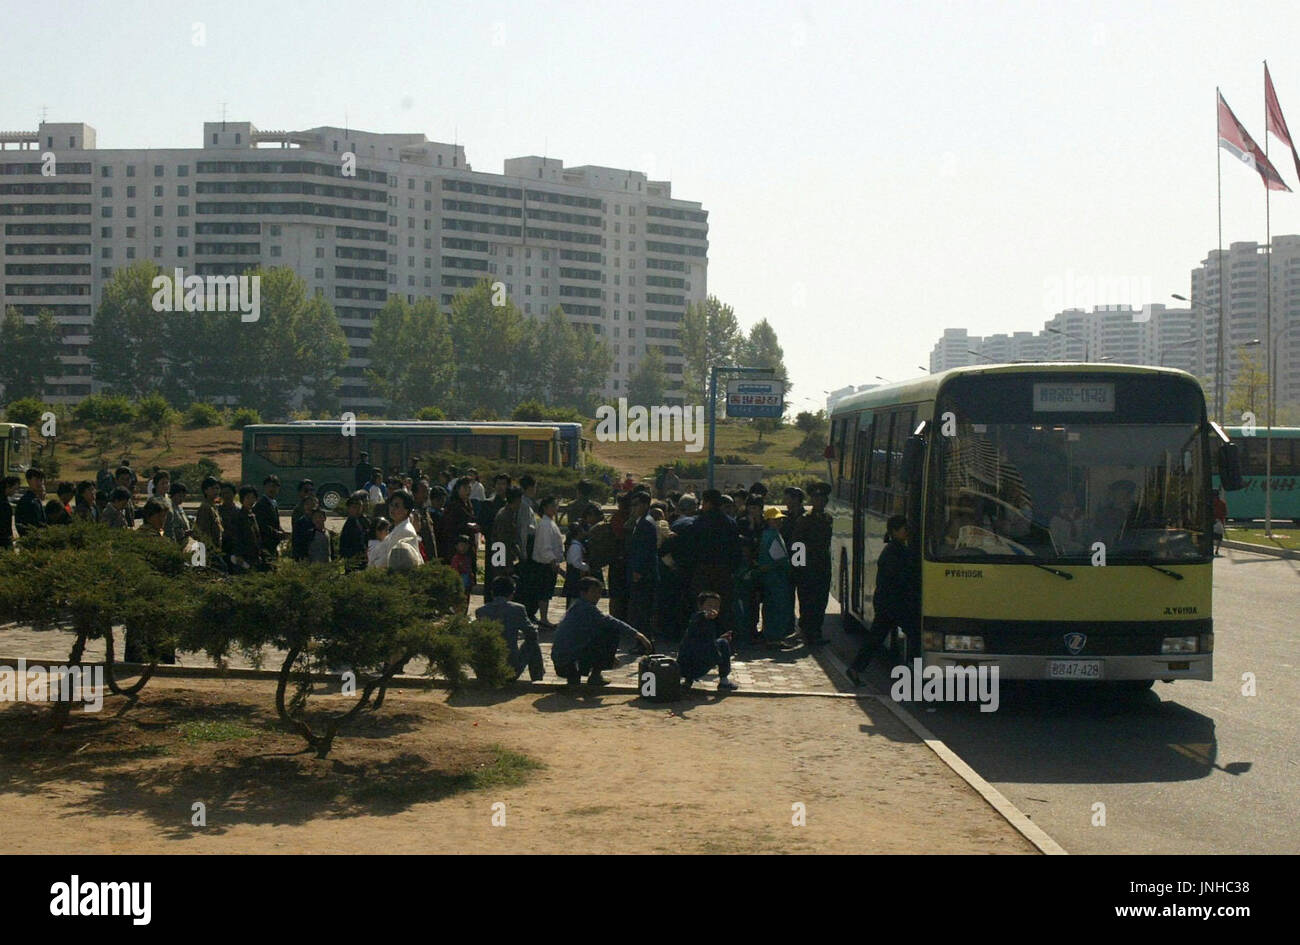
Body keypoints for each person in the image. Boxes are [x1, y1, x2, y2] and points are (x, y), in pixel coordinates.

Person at [846, 515, 920, 685]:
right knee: (910, 634)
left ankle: (856, 669)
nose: (907, 532)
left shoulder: (897, 549)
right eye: (904, 529)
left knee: (877, 638)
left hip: (890, 603)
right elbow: (900, 578)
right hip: (892, 604)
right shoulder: (895, 552)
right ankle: (911, 674)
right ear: (894, 531)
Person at [552, 576, 651, 689]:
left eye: (599, 592)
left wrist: (608, 654)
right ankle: (593, 677)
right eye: (593, 592)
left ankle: (575, 677)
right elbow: (613, 623)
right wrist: (639, 636)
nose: (597, 596)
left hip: (562, 662)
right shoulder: (587, 609)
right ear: (583, 593)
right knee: (611, 632)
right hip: (567, 663)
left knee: (602, 632)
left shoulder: (576, 606)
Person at [475, 575, 544, 681]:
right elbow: (532, 634)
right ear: (512, 594)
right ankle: (537, 677)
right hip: (510, 669)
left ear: (492, 592)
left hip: (487, 668)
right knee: (532, 641)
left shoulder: (481, 611)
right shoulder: (517, 609)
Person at [790, 481, 834, 647]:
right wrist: (798, 569)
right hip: (807, 569)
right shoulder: (804, 520)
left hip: (822, 567)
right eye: (816, 498)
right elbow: (797, 545)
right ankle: (807, 633)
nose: (819, 502)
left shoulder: (828, 518)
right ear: (811, 501)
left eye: (822, 499)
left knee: (820, 602)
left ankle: (816, 632)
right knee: (807, 603)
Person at [678, 591, 739, 691]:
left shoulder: (710, 622)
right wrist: (705, 614)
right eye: (709, 605)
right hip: (690, 665)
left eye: (716, 606)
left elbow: (705, 640)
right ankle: (724, 681)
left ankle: (688, 682)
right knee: (723, 644)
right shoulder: (697, 618)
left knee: (721, 642)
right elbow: (699, 618)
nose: (713, 609)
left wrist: (720, 639)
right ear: (700, 606)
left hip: (694, 663)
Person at [756, 506, 795, 647]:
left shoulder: (767, 534)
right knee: (778, 608)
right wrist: (791, 570)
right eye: (776, 520)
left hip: (770, 577)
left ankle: (771, 636)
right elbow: (780, 559)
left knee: (770, 607)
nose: (779, 522)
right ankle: (775, 638)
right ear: (768, 521)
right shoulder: (773, 536)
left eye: (780, 520)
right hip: (776, 577)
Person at [626, 491, 660, 648]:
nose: (633, 508)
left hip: (644, 575)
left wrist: (637, 571)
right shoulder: (641, 522)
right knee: (640, 611)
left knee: (642, 612)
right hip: (643, 573)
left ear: (646, 505)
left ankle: (644, 644)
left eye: (636, 504)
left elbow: (645, 550)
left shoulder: (646, 523)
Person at [527, 496, 565, 628]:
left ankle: (544, 616)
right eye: (552, 506)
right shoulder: (545, 524)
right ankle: (543, 618)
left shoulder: (550, 522)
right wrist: (552, 561)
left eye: (555, 506)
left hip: (549, 562)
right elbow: (545, 546)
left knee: (547, 592)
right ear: (545, 508)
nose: (555, 508)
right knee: (544, 592)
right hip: (544, 564)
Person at [564, 505, 602, 608]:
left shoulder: (594, 527)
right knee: (576, 595)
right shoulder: (580, 531)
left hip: (589, 564)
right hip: (580, 568)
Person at [229, 485, 267, 573]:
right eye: (248, 498)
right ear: (242, 499)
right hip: (243, 558)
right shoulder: (239, 517)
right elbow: (236, 538)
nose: (251, 501)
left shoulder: (252, 516)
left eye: (253, 498)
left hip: (255, 557)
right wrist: (239, 555)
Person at [1092, 479, 1138, 546]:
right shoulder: (1104, 512)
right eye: (1116, 492)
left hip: (1135, 551)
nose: (1117, 495)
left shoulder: (1140, 511)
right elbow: (1097, 531)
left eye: (1124, 492)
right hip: (1109, 550)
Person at [253, 475, 287, 559]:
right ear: (265, 487)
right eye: (270, 486)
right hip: (264, 543)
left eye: (275, 486)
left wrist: (282, 530)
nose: (272, 489)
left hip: (273, 543)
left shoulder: (273, 503)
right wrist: (277, 533)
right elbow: (262, 525)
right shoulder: (260, 505)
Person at [193, 476, 224, 560]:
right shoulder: (205, 508)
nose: (216, 491)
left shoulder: (213, 506)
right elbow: (203, 533)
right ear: (206, 490)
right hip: (209, 550)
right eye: (213, 488)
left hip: (216, 548)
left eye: (218, 488)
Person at [339, 492, 370, 570]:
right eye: (354, 507)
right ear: (349, 508)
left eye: (360, 506)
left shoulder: (364, 521)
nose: (358, 509)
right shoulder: (349, 524)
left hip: (364, 559)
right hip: (353, 560)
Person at [1049, 491, 1086, 555]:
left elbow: (1088, 536)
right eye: (1065, 498)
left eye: (1071, 498)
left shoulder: (1083, 517)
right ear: (1060, 501)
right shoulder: (1055, 520)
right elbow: (1055, 541)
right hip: (1063, 556)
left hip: (1083, 555)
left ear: (1075, 500)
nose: (1068, 501)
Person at [15, 467, 48, 538]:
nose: (39, 483)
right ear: (28, 481)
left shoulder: (36, 500)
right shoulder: (26, 501)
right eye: (36, 480)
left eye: (41, 480)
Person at [291, 494, 320, 560]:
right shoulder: (300, 523)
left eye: (313, 504)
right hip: (305, 555)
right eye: (307, 504)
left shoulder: (319, 521)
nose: (310, 506)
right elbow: (296, 541)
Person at [451, 535, 475, 611]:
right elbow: (454, 570)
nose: (464, 548)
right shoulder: (456, 558)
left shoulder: (467, 558)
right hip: (460, 583)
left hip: (467, 583)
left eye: (466, 546)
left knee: (466, 600)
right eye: (462, 545)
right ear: (456, 546)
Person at [0, 475, 21, 549]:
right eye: (15, 489)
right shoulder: (4, 504)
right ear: (8, 486)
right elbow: (5, 526)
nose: (16, 491)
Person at [1213, 488, 1228, 556]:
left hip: (1211, 522)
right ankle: (1216, 550)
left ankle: (1213, 549)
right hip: (1219, 522)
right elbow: (1225, 513)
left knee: (1211, 537)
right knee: (1219, 538)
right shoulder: (1222, 503)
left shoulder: (1209, 503)